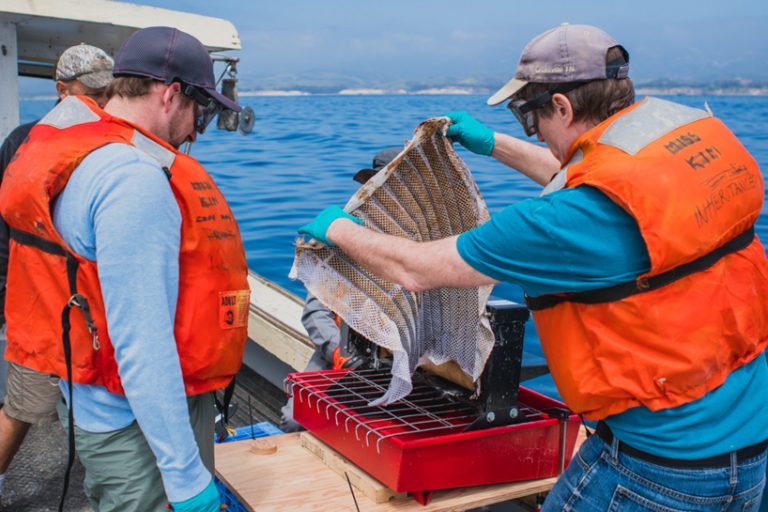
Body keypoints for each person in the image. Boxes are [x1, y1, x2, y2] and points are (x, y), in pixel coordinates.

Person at [298, 23, 768, 511]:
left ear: (562, 107)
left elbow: (414, 268)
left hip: (659, 470)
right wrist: (492, 144)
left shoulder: (559, 224)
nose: (536, 132)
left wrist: (337, 229)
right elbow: (598, 189)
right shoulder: (687, 153)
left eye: (531, 118)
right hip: (749, 448)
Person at [0, 26, 249, 512]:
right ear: (172, 94)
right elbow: (141, 342)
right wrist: (186, 480)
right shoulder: (132, 179)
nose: (199, 128)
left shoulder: (86, 154)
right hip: (135, 431)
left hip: (96, 404)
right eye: (202, 108)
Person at [0, 42, 114, 495]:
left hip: (86, 297)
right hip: (36, 298)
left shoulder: (108, 143)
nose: (98, 103)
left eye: (105, 94)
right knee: (24, 403)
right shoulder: (23, 142)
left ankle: (101, 486)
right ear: (61, 89)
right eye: (89, 93)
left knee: (93, 399)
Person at [281, 147, 400, 433]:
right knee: (295, 420)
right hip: (342, 355)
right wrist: (339, 352)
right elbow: (314, 312)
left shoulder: (423, 244)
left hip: (397, 363)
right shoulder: (340, 235)